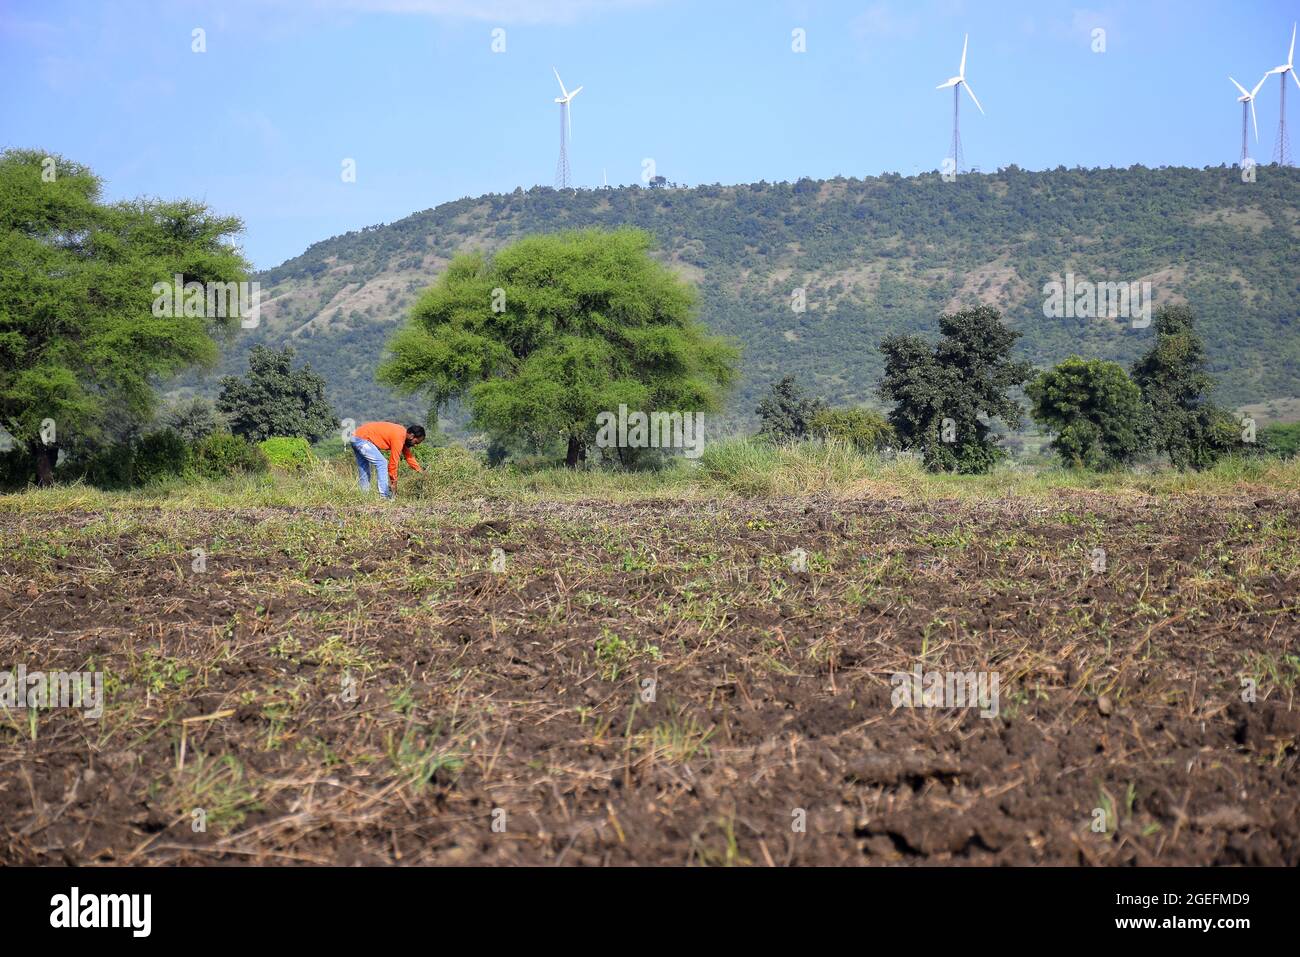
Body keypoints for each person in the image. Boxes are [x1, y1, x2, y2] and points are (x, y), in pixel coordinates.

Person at [350, 422, 425, 499]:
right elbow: (393, 463)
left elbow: (409, 457)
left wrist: (421, 471)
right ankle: (384, 496)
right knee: (382, 463)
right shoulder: (399, 437)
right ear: (411, 436)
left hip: (356, 437)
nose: (415, 445)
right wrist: (393, 482)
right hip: (361, 439)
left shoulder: (402, 434)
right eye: (416, 442)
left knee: (364, 469)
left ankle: (364, 496)